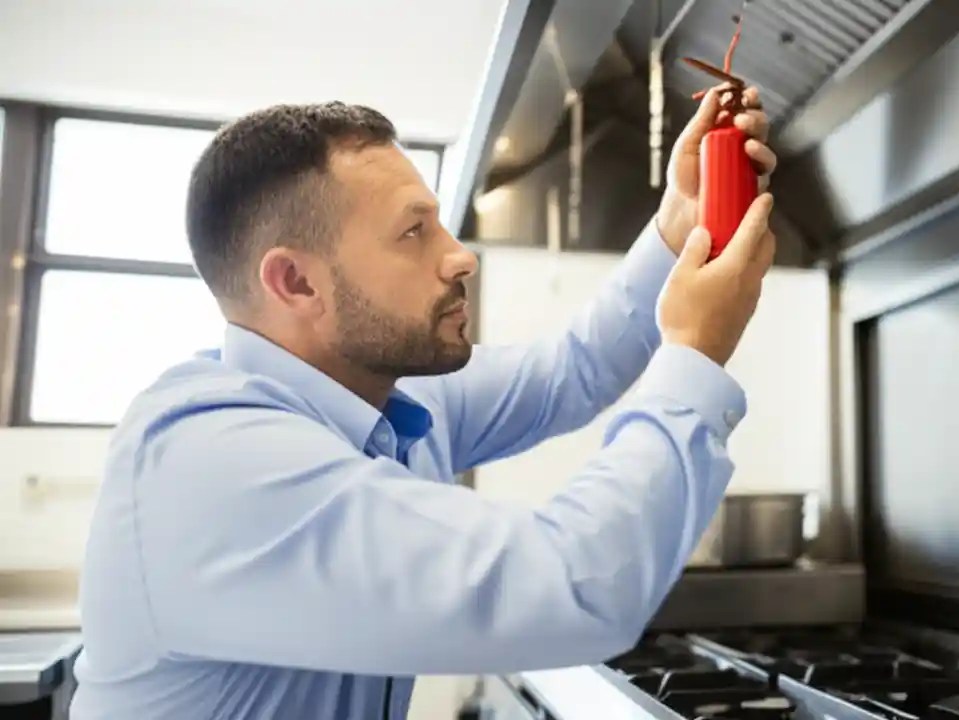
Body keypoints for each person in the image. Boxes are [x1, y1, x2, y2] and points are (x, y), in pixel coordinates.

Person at [70, 83, 777, 719]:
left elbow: (574, 370)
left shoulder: (374, 397)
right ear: (297, 284)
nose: (460, 254)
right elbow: (572, 587)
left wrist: (677, 226)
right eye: (414, 232)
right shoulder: (213, 464)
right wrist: (692, 354)